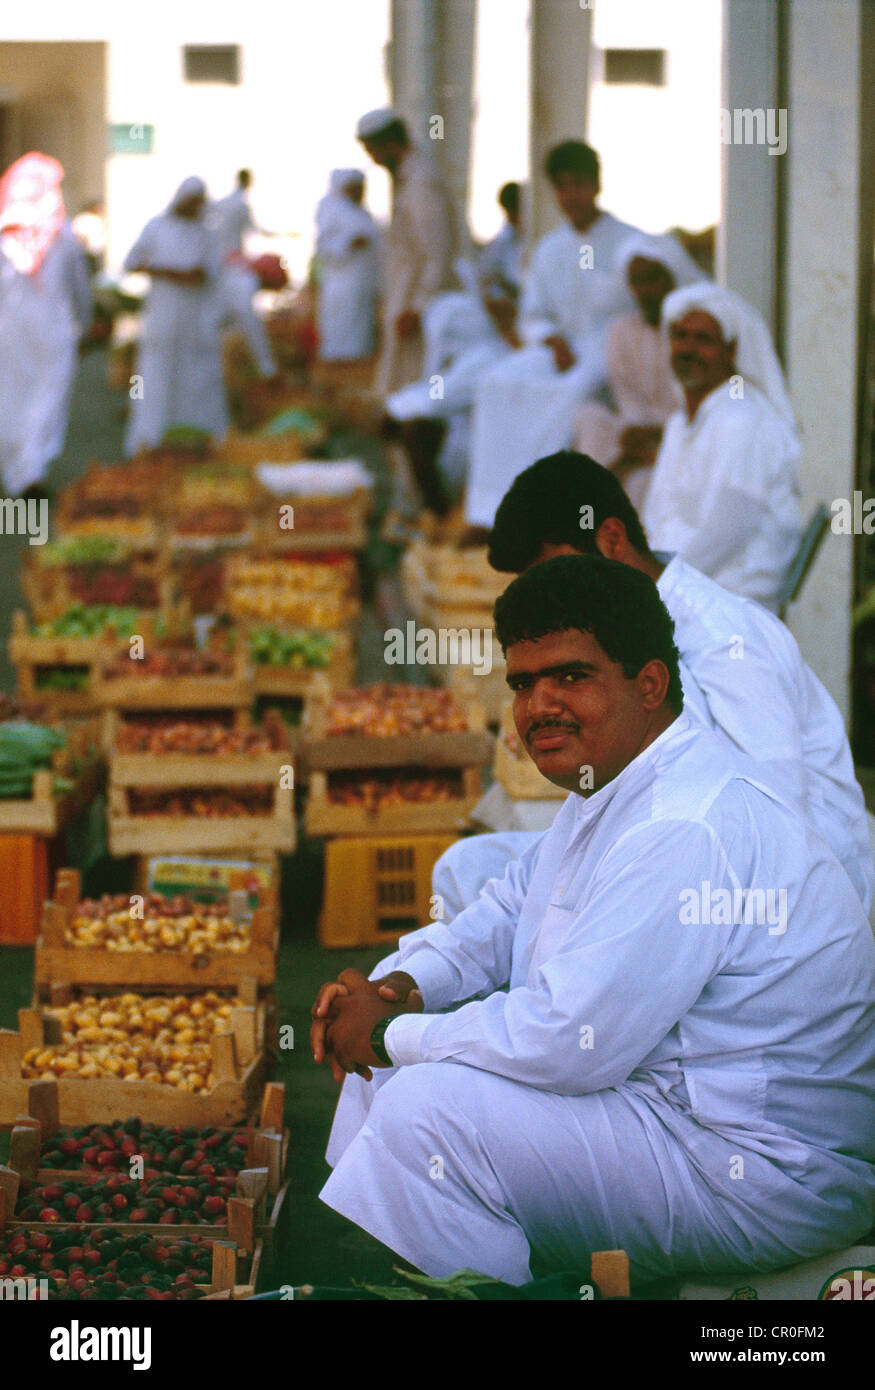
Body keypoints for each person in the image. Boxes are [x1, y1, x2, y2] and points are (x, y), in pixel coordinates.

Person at [312, 555, 875, 1286]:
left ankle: (498, 1291)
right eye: (522, 683)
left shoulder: (685, 823)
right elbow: (512, 903)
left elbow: (570, 1040)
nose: (540, 704)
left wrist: (389, 1034)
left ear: (648, 684)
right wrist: (401, 988)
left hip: (757, 1172)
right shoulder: (613, 783)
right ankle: (457, 1271)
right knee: (392, 1076)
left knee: (424, 1107)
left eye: (571, 677)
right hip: (669, 1114)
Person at [425, 450, 873, 923]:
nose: (549, 594)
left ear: (612, 540)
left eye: (558, 571)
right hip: (669, 844)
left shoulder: (725, 639)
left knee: (554, 918)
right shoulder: (609, 628)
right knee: (468, 871)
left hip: (770, 894)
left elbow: (775, 819)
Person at [464, 141, 640, 528]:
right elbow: (533, 315)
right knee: (497, 382)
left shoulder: (631, 242)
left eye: (579, 184)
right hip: (561, 349)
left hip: (612, 352)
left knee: (569, 392)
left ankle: (538, 512)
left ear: (596, 186)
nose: (571, 195)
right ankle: (492, 509)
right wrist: (550, 339)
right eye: (562, 186)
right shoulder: (549, 249)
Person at [641, 283, 801, 612]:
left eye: (704, 340)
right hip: (678, 586)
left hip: (731, 602)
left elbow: (726, 532)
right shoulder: (679, 422)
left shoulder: (743, 419)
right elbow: (656, 512)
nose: (688, 349)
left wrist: (652, 579)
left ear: (731, 351)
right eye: (680, 336)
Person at [573, 232, 707, 509]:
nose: (645, 290)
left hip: (684, 435)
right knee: (589, 418)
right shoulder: (620, 330)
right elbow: (626, 396)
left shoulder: (694, 334)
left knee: (641, 485)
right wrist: (636, 434)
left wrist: (660, 433)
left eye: (653, 279)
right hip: (636, 432)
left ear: (672, 277)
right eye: (637, 281)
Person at [0, 152, 92, 499]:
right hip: (52, 332)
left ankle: (17, 471)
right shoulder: (60, 234)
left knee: (12, 398)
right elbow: (79, 287)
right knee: (45, 398)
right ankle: (29, 470)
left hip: (8, 332)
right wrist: (86, 323)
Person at [356, 106, 462, 400]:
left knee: (419, 388)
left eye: (374, 152)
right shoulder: (406, 178)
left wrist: (418, 306)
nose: (374, 160)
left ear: (390, 145)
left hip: (422, 309)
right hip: (407, 301)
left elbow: (436, 252)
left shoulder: (421, 182)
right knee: (405, 387)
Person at [123, 176, 228, 454]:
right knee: (155, 380)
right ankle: (148, 440)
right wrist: (170, 272)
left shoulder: (207, 234)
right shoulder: (156, 228)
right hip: (162, 320)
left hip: (195, 324)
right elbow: (132, 262)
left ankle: (200, 440)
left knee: (198, 380)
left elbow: (206, 274)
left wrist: (177, 273)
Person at [208, 170, 277, 380]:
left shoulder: (223, 203)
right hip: (233, 269)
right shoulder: (239, 205)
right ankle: (266, 369)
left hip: (222, 269)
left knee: (220, 322)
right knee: (248, 320)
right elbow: (254, 229)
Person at [314, 168, 380, 363]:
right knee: (340, 323)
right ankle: (338, 361)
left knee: (360, 324)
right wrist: (348, 244)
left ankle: (357, 359)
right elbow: (323, 245)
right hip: (340, 279)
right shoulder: (331, 210)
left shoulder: (362, 213)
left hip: (362, 278)